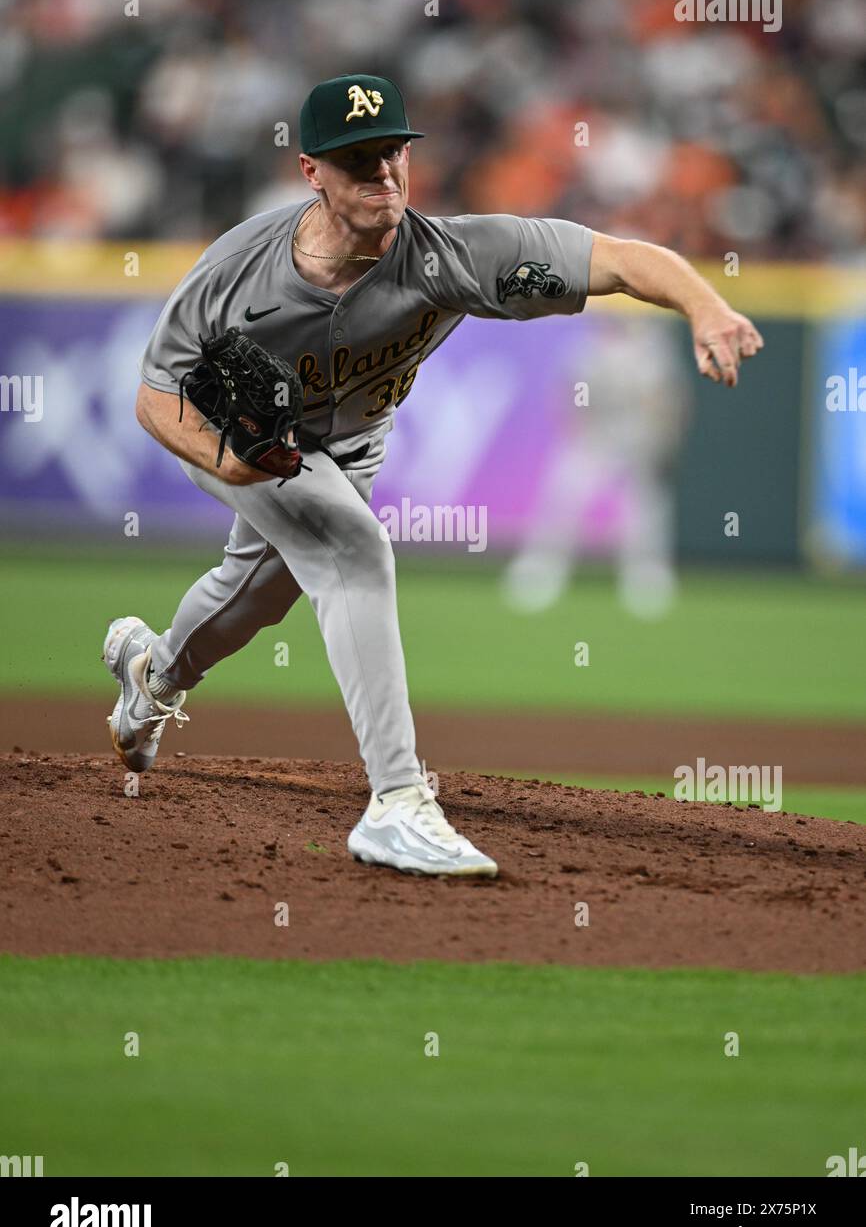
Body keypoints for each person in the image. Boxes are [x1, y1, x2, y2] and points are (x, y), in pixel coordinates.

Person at [104, 73, 763, 880]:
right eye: (357, 162)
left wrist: (705, 307)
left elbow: (619, 261)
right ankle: (398, 803)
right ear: (312, 172)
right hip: (237, 441)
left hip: (350, 446)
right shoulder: (238, 268)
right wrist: (226, 459)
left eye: (392, 154)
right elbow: (153, 395)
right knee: (353, 549)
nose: (382, 174)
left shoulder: (451, 257)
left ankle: (153, 675)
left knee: (259, 592)